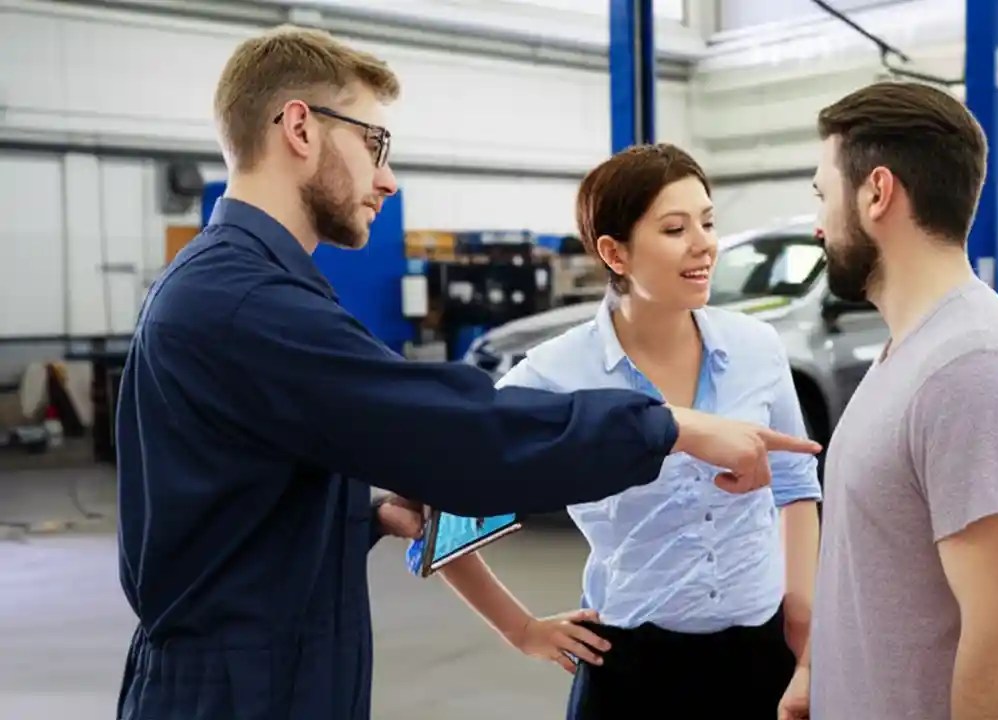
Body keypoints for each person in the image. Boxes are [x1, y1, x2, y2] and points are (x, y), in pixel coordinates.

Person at [112, 26, 820, 720]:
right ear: (299, 126)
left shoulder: (247, 289)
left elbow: (240, 492)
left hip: (266, 674)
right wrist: (669, 427)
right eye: (373, 142)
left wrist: (367, 512)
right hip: (240, 693)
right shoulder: (245, 302)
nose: (385, 177)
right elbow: (467, 436)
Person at [436, 144, 822, 720]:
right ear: (614, 253)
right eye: (675, 228)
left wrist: (803, 616)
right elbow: (445, 515)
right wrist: (522, 629)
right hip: (632, 666)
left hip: (761, 652)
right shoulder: (553, 375)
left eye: (708, 222)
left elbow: (795, 485)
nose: (704, 244)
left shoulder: (757, 349)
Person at [781, 81, 998, 720]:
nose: (817, 223)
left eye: (822, 193)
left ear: (876, 192)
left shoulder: (976, 369)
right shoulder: (913, 351)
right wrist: (820, 673)